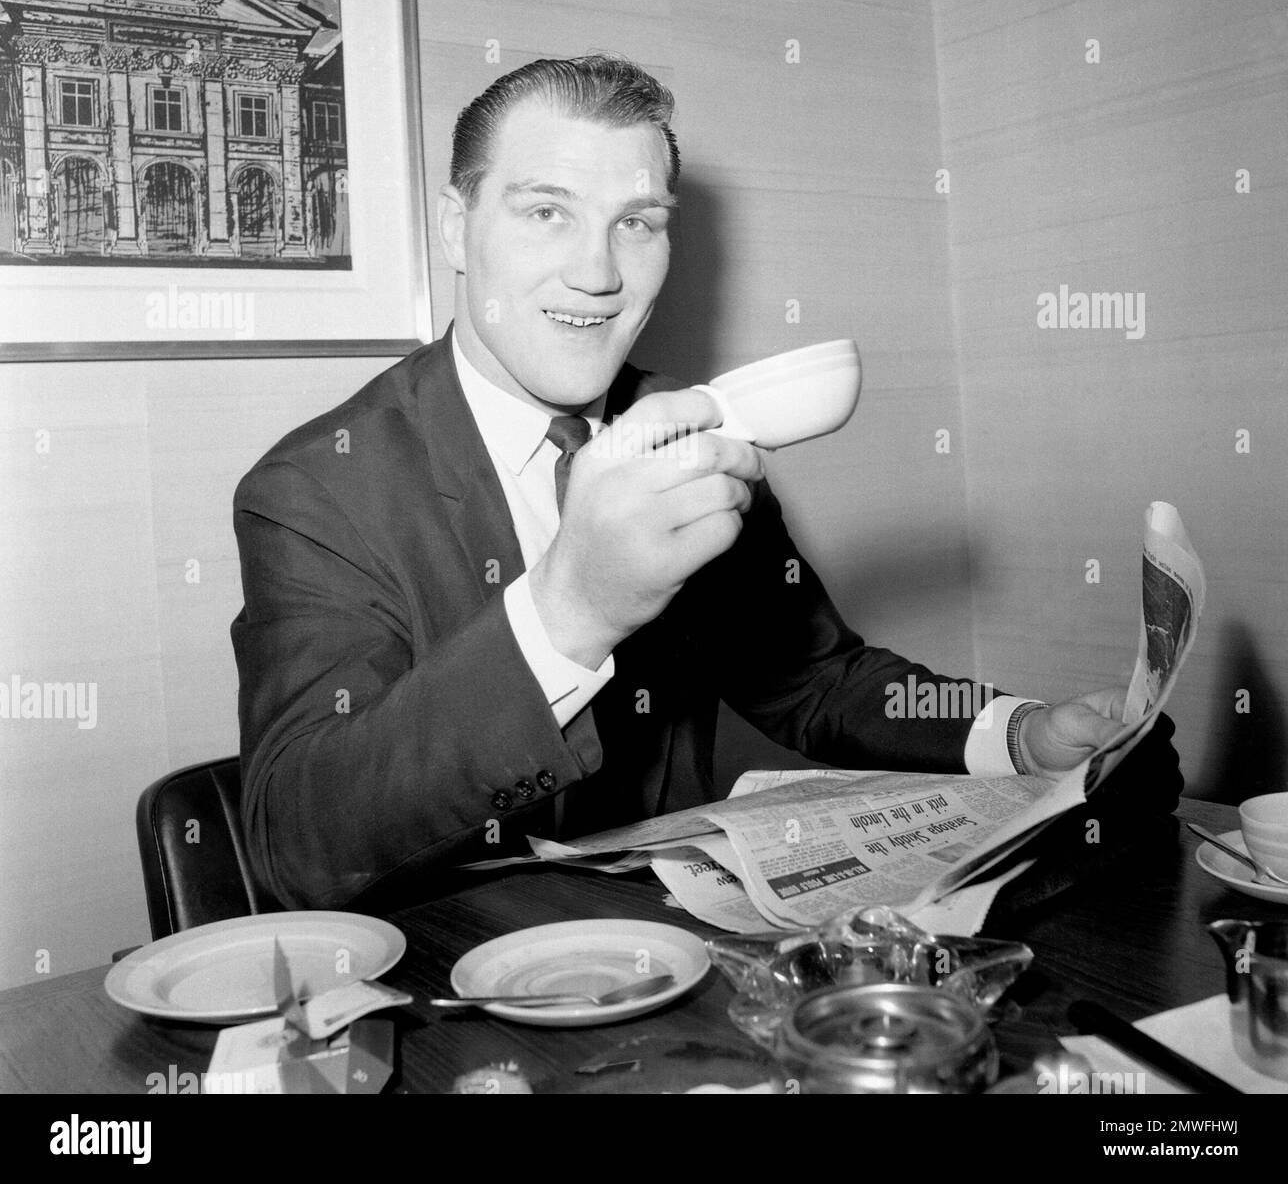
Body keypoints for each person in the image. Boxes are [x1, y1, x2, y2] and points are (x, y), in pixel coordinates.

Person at [232, 55, 1178, 910]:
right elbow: (297, 848)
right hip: (451, 981)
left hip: (676, 956)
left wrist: (1020, 736)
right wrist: (572, 609)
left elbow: (817, 682)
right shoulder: (316, 491)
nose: (598, 272)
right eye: (545, 211)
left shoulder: (694, 428)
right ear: (456, 229)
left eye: (636, 223)